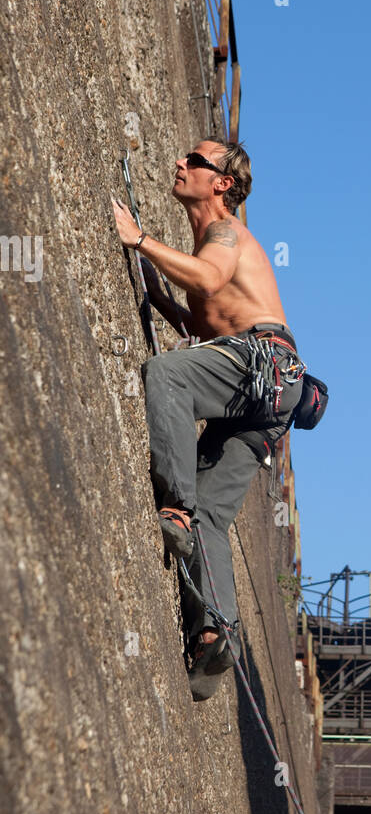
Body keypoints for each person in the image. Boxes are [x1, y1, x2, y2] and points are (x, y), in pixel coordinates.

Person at [112, 139, 304, 700]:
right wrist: (164, 301)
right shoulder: (208, 244)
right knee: (212, 521)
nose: (179, 162)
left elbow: (209, 280)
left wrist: (140, 241)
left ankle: (175, 502)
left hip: (260, 363)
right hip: (274, 392)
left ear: (221, 183)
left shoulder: (224, 233)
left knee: (165, 375)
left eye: (194, 161)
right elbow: (209, 322)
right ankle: (216, 633)